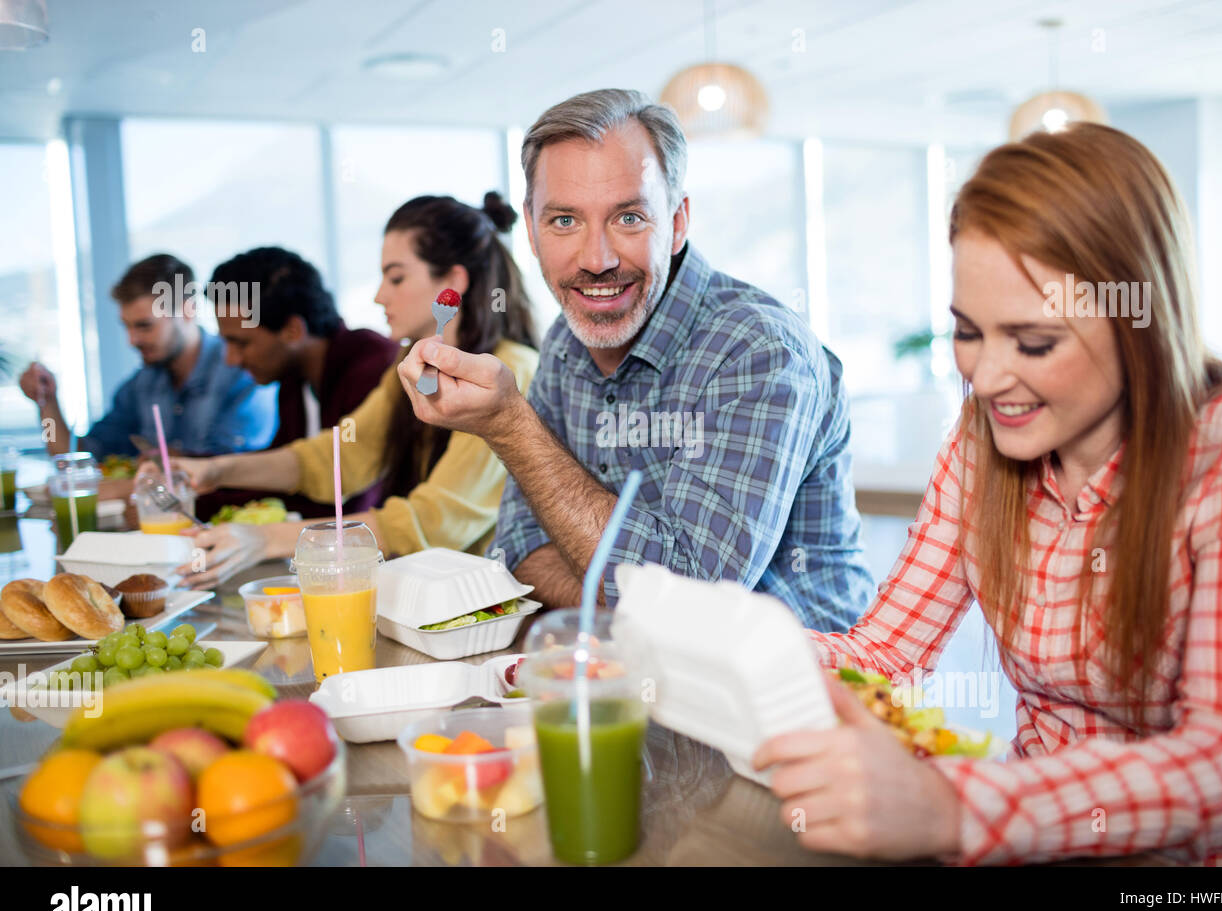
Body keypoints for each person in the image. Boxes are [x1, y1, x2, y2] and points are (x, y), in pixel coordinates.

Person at [752, 123, 1222, 866]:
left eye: (1034, 343)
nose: (984, 379)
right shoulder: (983, 440)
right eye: (969, 333)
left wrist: (955, 808)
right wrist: (735, 650)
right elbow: (883, 650)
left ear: (1139, 319)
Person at [395, 89, 873, 633]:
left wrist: (512, 428)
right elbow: (517, 550)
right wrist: (631, 595)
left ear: (677, 221)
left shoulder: (760, 351)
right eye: (565, 222)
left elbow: (689, 603)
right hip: (641, 677)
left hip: (806, 694)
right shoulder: (565, 342)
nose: (596, 261)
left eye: (628, 217)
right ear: (530, 228)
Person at [158, 193, 539, 588]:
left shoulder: (510, 371)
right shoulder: (409, 364)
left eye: (396, 278)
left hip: (487, 611)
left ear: (453, 284)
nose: (379, 296)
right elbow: (340, 454)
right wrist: (217, 470)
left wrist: (263, 539)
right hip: (426, 597)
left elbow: (432, 523)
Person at [202, 246, 397, 519]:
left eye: (241, 343)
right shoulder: (295, 376)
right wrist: (190, 470)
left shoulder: (374, 367)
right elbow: (275, 466)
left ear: (292, 330)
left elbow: (346, 499)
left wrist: (196, 497)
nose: (231, 359)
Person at [19, 253, 277, 459]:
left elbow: (234, 473)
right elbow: (74, 458)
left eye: (144, 326)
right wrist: (47, 402)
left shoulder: (245, 373)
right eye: (126, 326)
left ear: (188, 311)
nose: (132, 340)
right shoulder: (142, 385)